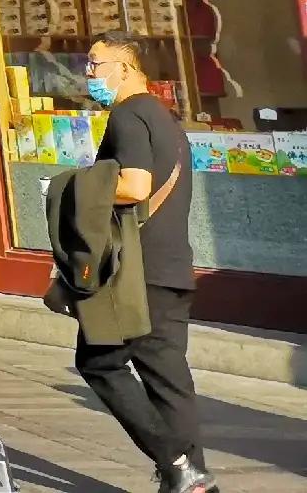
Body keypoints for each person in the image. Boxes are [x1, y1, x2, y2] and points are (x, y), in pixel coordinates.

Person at [74, 33, 211, 492]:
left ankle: (176, 464)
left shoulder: (129, 115)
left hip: (137, 272)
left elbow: (133, 186)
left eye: (95, 64)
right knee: (169, 381)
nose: (88, 74)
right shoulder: (166, 120)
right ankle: (192, 480)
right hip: (171, 268)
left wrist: (76, 189)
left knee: (99, 362)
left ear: (126, 69)